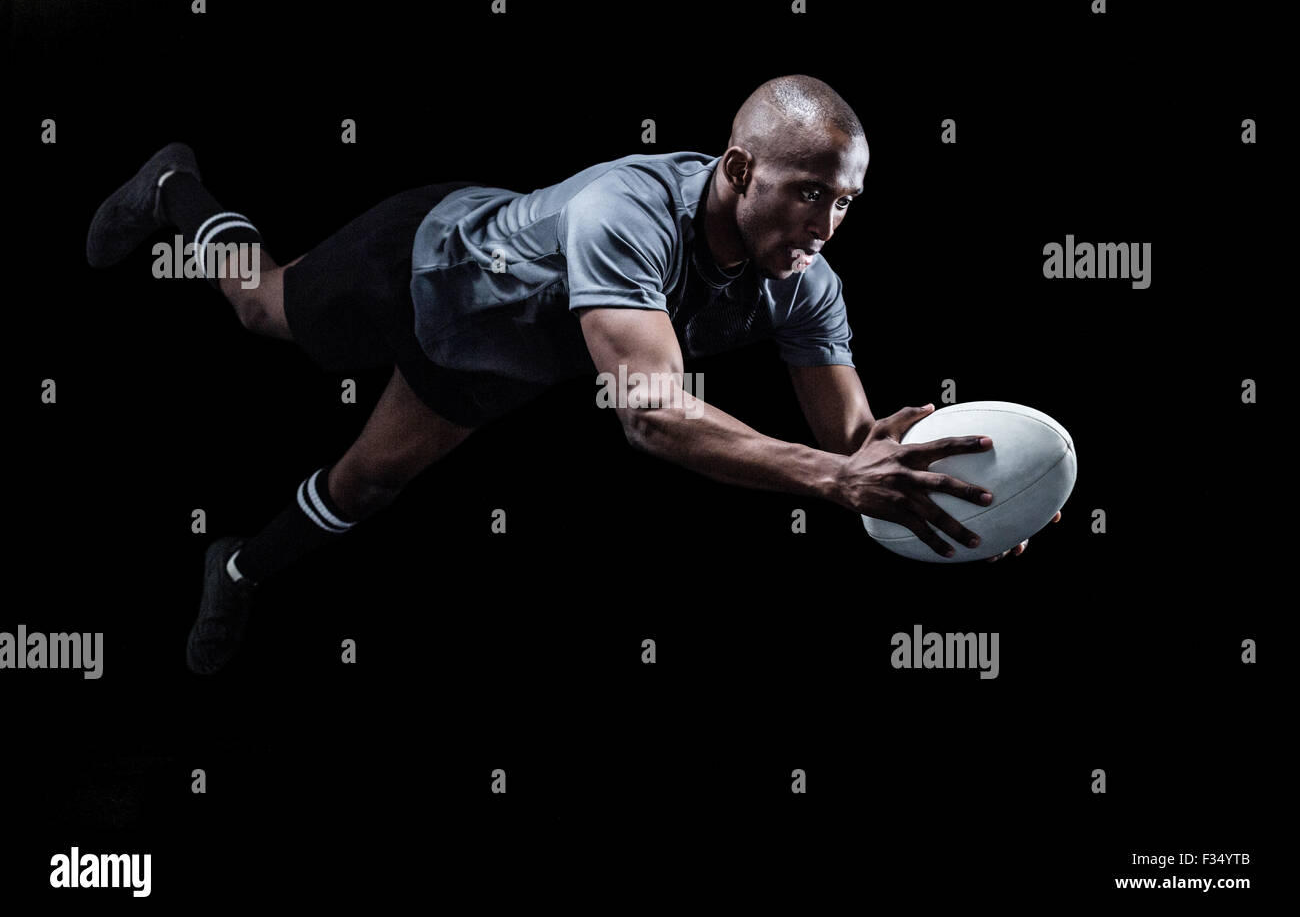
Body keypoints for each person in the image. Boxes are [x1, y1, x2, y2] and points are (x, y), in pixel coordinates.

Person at [85, 74, 1055, 675]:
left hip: (495, 359)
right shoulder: (628, 208)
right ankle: (173, 186)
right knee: (263, 310)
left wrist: (964, 501)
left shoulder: (804, 284)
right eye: (807, 192)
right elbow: (651, 416)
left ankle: (238, 565)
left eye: (844, 202)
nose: (825, 224)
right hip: (419, 262)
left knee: (370, 480)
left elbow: (852, 444)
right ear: (737, 167)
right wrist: (835, 477)